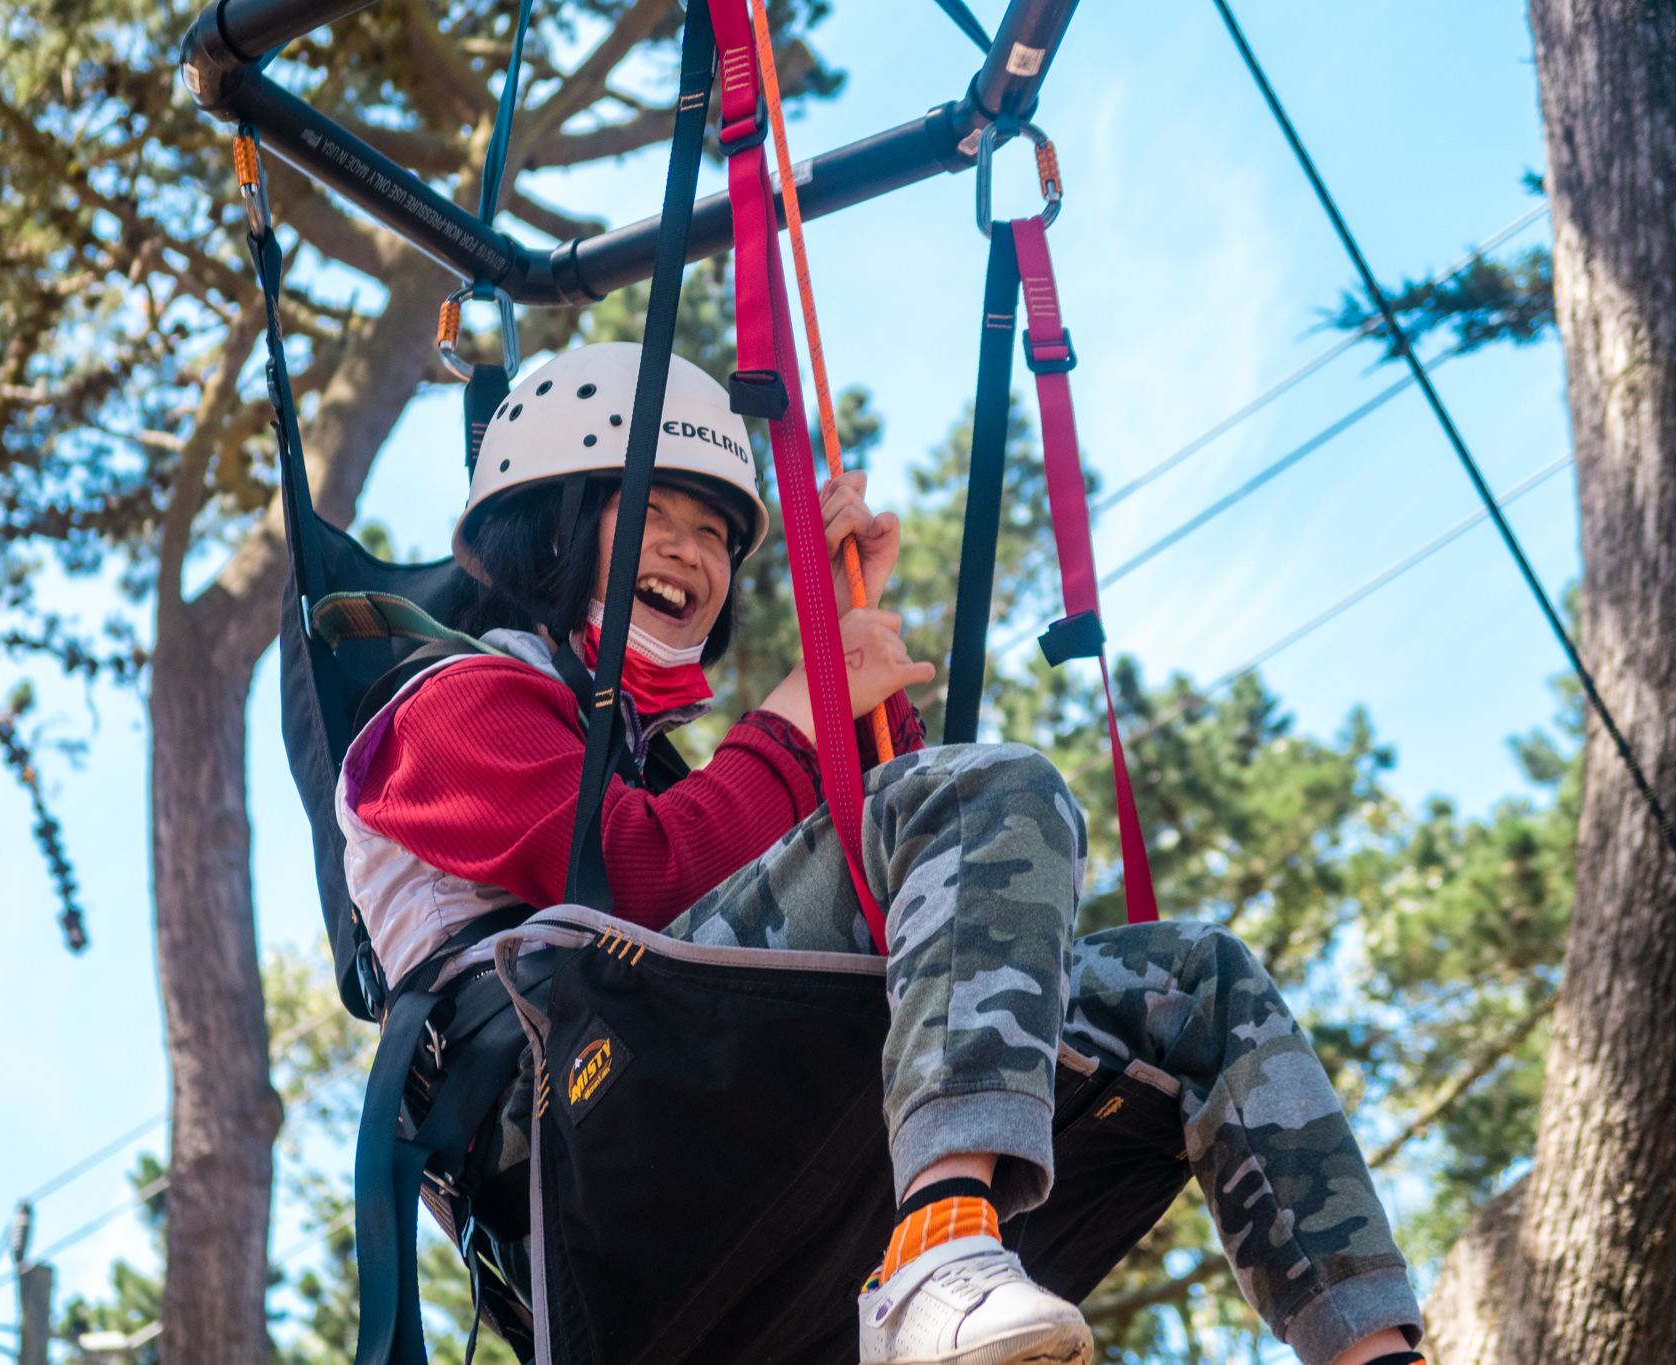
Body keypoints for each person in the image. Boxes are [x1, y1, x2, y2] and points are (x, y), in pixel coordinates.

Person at [336, 343, 1420, 1365]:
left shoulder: (646, 761)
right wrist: (799, 711)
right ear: (552, 529)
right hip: (581, 1133)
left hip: (716, 1095)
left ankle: (1365, 1342)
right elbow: (639, 875)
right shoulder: (450, 706)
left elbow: (899, 892)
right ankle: (937, 1243)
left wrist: (836, 631)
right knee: (989, 785)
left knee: (1194, 982)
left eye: (716, 533)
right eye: (650, 512)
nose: (689, 551)